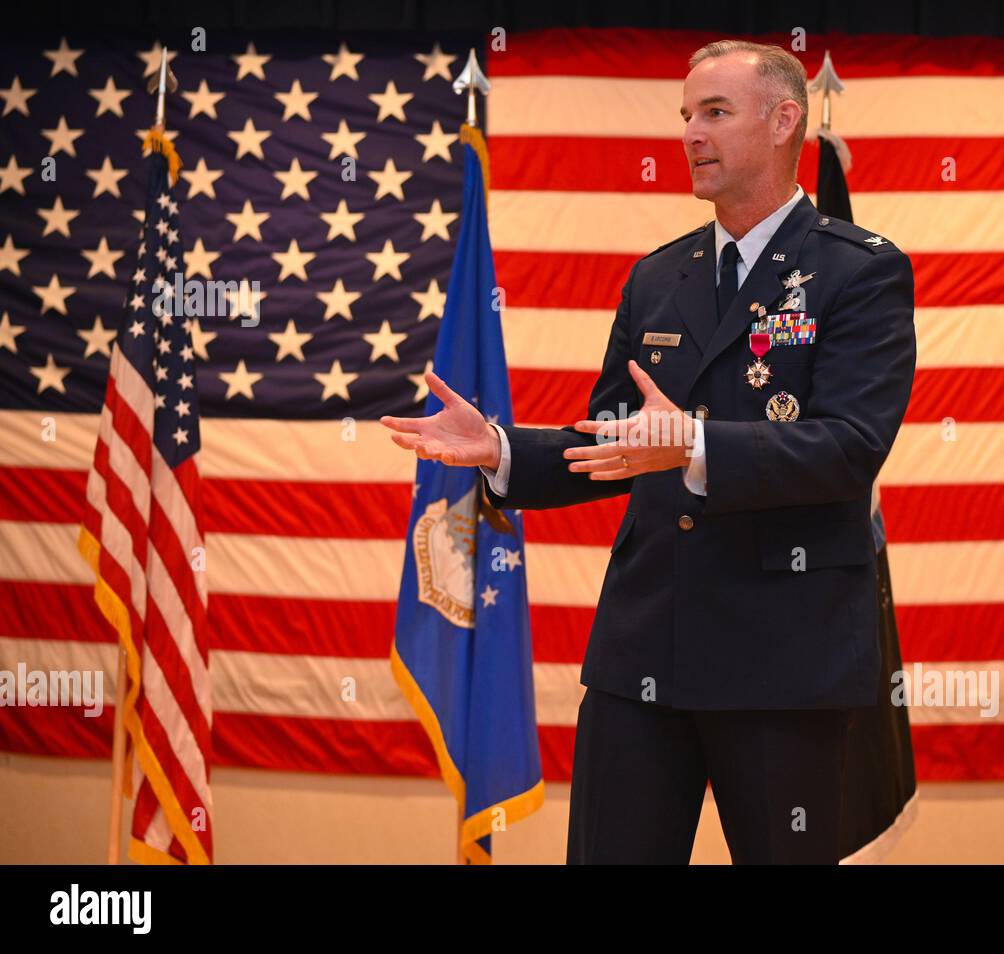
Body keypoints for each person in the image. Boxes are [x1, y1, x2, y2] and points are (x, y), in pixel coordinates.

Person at [381, 39, 916, 864]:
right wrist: (501, 450)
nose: (690, 135)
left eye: (714, 113)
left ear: (784, 122)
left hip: (785, 658)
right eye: (685, 117)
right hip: (645, 652)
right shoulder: (658, 278)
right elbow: (615, 444)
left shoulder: (859, 272)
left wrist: (694, 444)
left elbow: (848, 448)